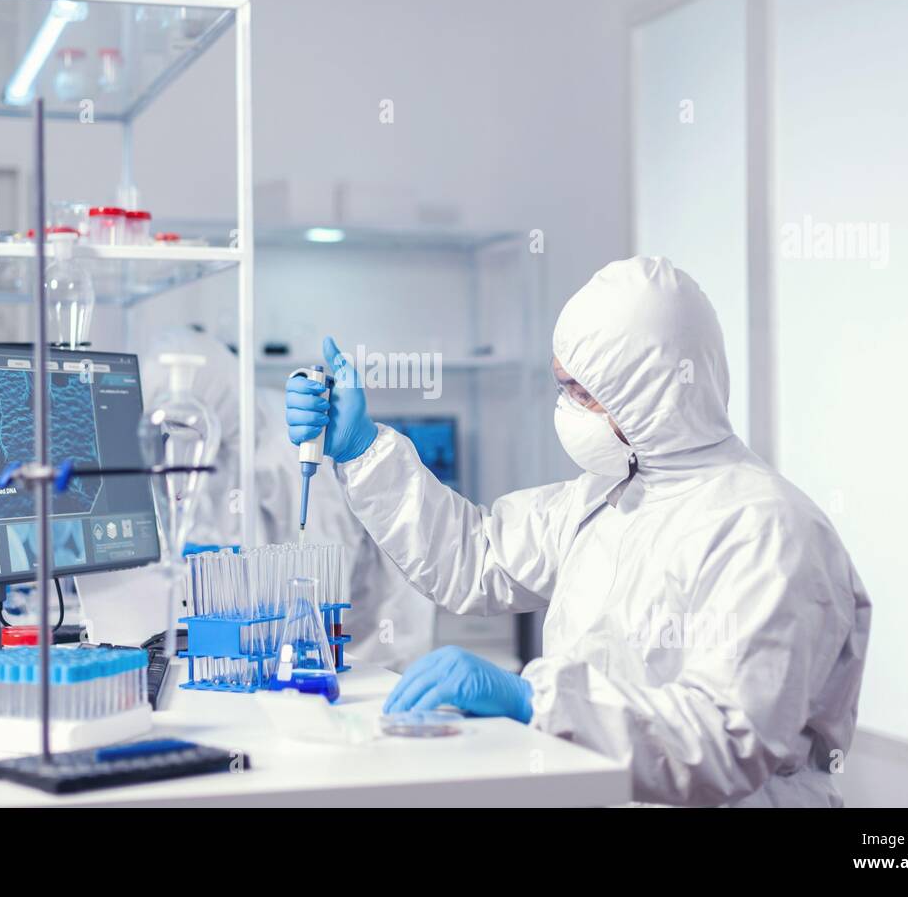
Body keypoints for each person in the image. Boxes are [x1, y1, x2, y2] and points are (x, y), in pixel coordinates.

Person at [285, 256, 871, 807]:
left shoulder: (767, 530)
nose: (567, 410)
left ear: (654, 394)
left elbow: (723, 739)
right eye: (563, 387)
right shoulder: (608, 493)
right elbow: (476, 558)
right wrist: (364, 451)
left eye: (584, 394)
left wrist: (530, 700)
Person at [146, 327, 435, 671]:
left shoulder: (289, 445)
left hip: (372, 632)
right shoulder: (214, 444)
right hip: (288, 645)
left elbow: (322, 578)